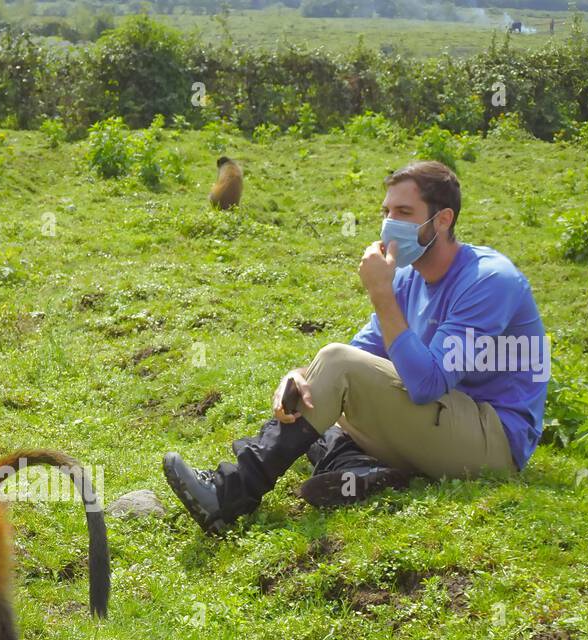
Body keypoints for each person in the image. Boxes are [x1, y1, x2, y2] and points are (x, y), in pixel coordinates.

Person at [163, 160, 549, 534]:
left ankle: (230, 493)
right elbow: (363, 355)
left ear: (443, 219)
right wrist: (300, 377)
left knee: (337, 370)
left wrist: (381, 293)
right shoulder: (407, 278)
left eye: (404, 211)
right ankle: (358, 469)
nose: (390, 224)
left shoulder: (489, 280)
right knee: (326, 387)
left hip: (493, 440)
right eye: (386, 211)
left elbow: (428, 383)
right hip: (440, 420)